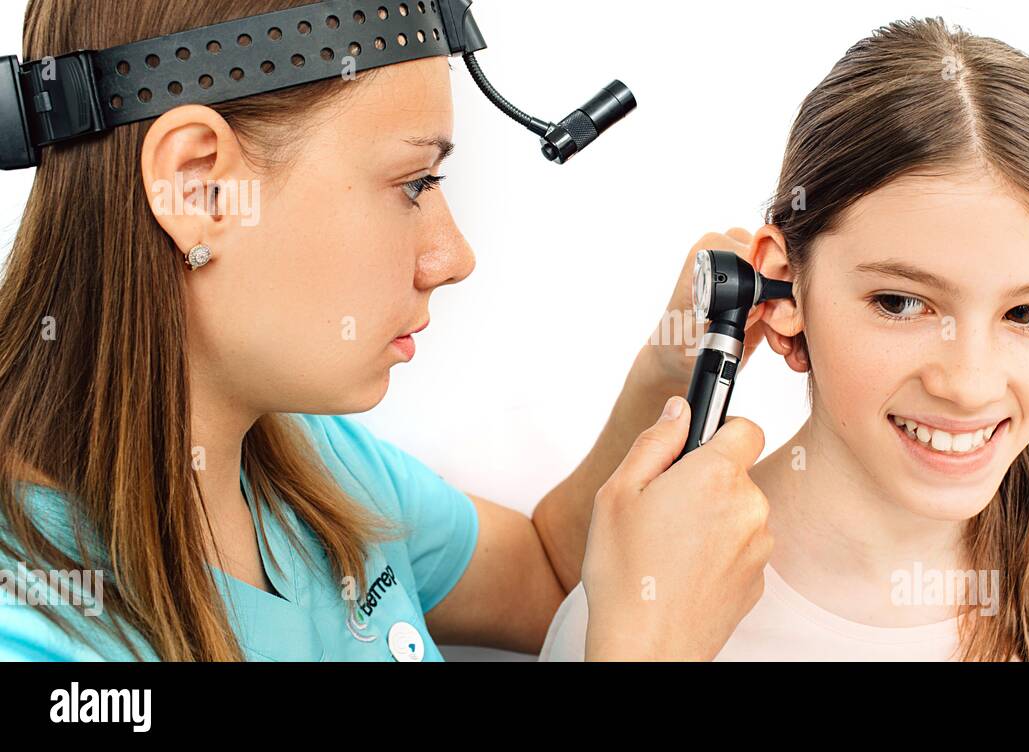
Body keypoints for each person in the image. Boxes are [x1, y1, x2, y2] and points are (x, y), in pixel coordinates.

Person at [0, 0, 773, 661]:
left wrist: (674, 366)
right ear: (200, 186)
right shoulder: (33, 629)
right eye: (414, 184)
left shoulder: (310, 462)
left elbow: (551, 573)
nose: (454, 257)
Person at [541, 17, 1029, 662]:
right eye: (900, 302)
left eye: (1026, 313)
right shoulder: (631, 625)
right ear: (784, 288)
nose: (969, 384)